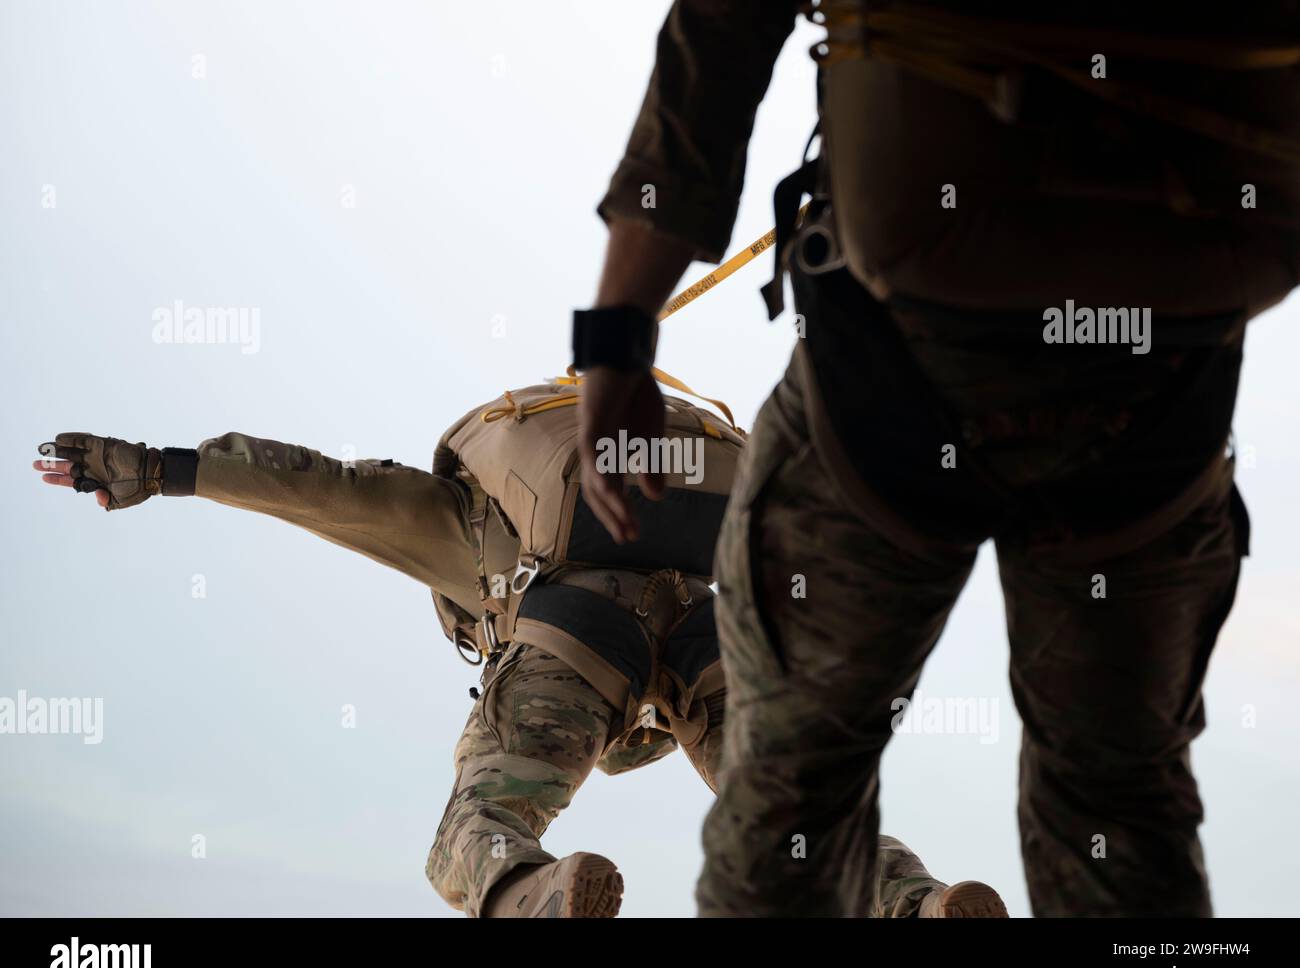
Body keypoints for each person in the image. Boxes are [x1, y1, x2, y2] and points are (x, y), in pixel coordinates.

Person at [575, 0, 1299, 916]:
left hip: (891, 372)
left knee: (794, 797)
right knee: (1125, 810)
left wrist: (618, 330)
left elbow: (720, 31)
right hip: (1163, 380)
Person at [32, 418, 1006, 918]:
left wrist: (156, 466)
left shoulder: (467, 520)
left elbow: (318, 487)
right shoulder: (648, 465)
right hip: (720, 619)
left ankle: (531, 890)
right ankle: (915, 904)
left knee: (476, 822)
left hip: (579, 621)